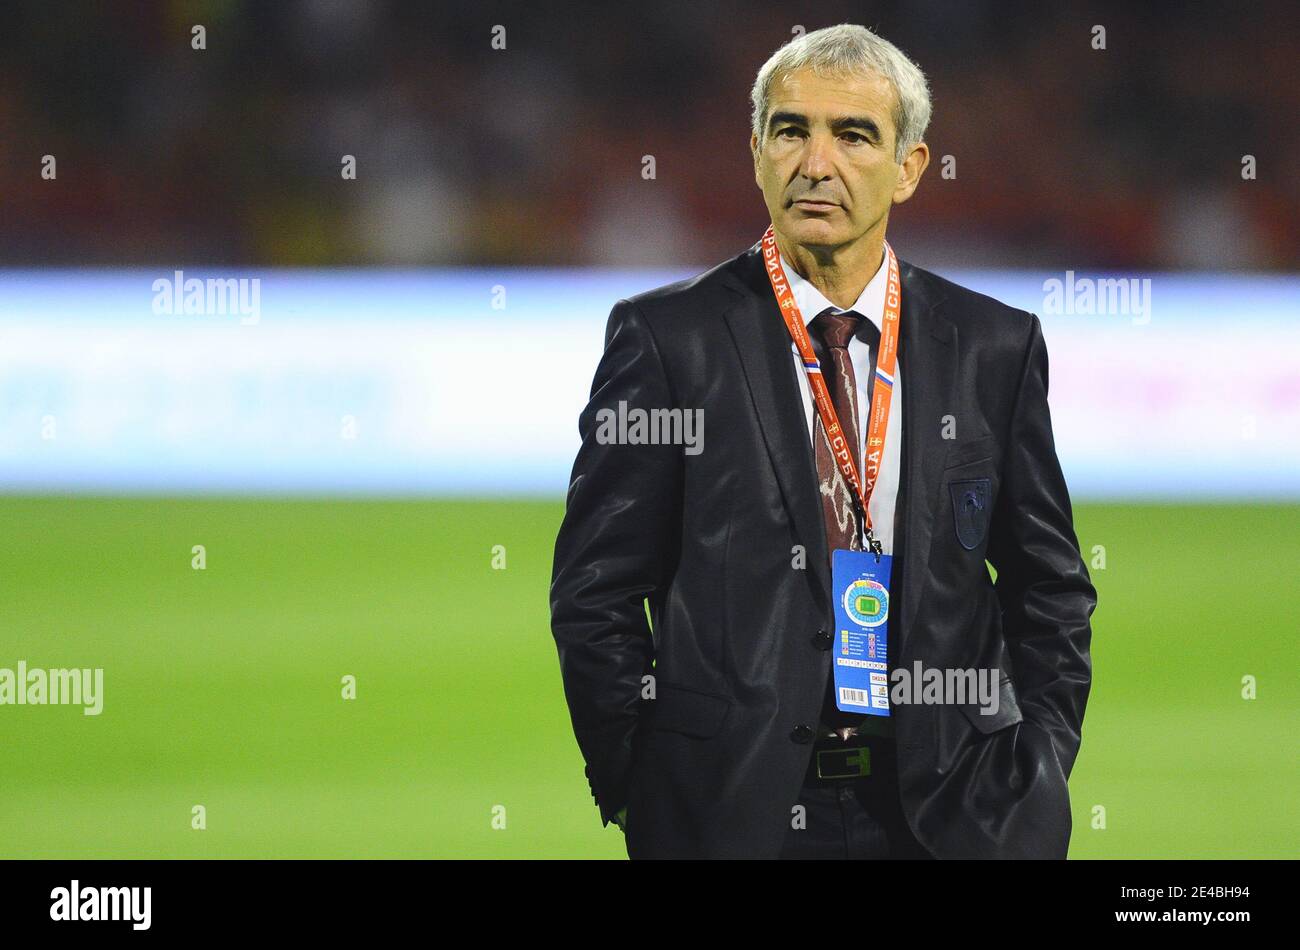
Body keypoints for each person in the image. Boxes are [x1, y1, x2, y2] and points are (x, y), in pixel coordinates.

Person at [550, 23, 1096, 859]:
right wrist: (644, 785)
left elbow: (1049, 586)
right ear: (758, 153)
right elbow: (596, 591)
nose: (817, 161)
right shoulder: (670, 341)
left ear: (910, 167)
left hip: (954, 820)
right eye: (791, 129)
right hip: (738, 818)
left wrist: (1040, 765)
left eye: (853, 135)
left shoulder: (993, 345)